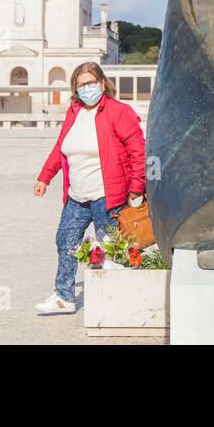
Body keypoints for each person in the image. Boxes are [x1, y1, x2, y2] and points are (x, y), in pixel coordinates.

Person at [33, 62, 146, 314]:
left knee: (111, 250)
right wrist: (45, 177)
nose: (87, 88)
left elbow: (138, 151)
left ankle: (117, 304)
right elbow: (60, 147)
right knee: (66, 241)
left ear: (102, 83)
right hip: (77, 195)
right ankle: (64, 296)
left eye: (91, 82)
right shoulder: (74, 112)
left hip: (108, 195)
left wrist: (137, 187)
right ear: (75, 88)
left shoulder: (119, 112)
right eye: (81, 84)